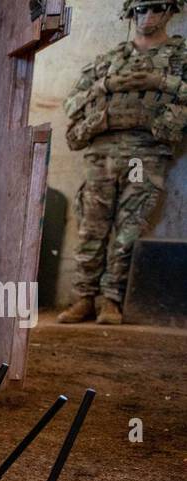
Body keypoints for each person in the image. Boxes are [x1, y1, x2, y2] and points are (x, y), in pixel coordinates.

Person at [58, 0, 186, 325]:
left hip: (146, 151)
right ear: (130, 14)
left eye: (156, 9)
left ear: (171, 12)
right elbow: (73, 102)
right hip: (102, 151)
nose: (148, 17)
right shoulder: (111, 59)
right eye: (140, 10)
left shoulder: (180, 56)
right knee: (91, 227)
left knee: (128, 231)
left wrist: (160, 84)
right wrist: (107, 86)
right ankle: (83, 298)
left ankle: (111, 301)